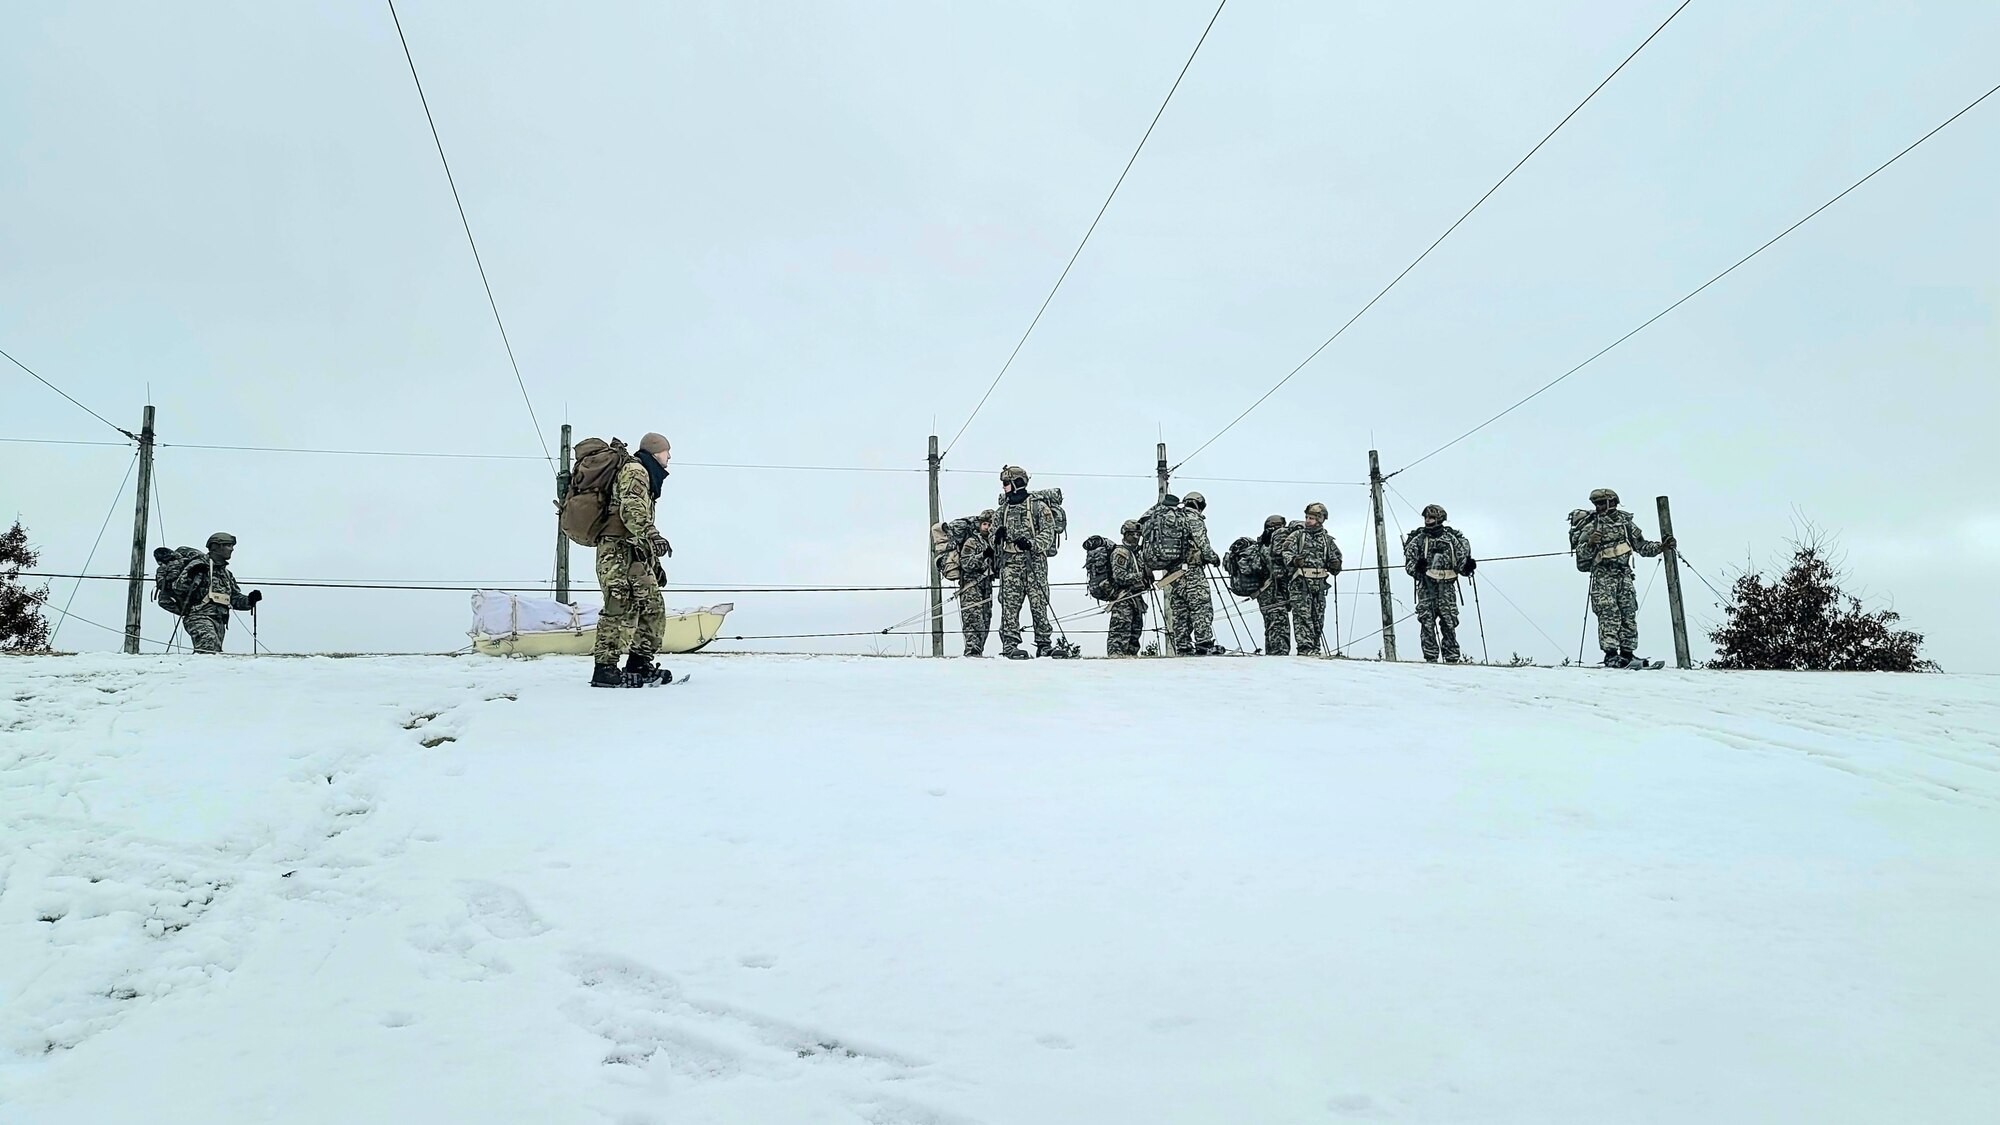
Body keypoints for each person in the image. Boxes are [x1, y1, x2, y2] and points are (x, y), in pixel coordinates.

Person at [591, 432, 673, 686]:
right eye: (666, 451)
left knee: (652, 606)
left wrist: (654, 563)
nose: (669, 456)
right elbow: (630, 509)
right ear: (655, 451)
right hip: (615, 550)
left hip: (634, 552)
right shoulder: (636, 470)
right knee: (618, 606)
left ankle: (639, 663)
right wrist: (653, 534)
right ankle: (604, 669)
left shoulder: (647, 474)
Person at [1576, 487, 1673, 668]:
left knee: (1628, 612)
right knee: (1608, 613)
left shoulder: (1626, 523)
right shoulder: (1592, 526)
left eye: (1600, 503)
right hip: (1603, 575)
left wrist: (1662, 547)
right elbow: (1581, 555)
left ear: (1612, 501)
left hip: (1624, 575)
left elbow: (1642, 546)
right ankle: (1611, 655)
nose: (1598, 507)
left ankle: (1628, 655)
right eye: (1595, 504)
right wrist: (1590, 543)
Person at [993, 465, 1057, 659]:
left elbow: (1049, 532)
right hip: (1010, 563)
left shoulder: (1038, 507)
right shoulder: (1001, 511)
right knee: (1009, 605)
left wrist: (1032, 543)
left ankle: (1044, 644)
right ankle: (1010, 645)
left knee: (1039, 603)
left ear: (1017, 483)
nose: (1004, 487)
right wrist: (997, 537)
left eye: (1006, 483)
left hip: (1034, 562)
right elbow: (992, 538)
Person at [1403, 504, 1475, 663]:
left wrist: (1468, 567)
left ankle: (1451, 659)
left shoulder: (1451, 540)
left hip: (1447, 588)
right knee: (1427, 624)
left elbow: (1461, 564)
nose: (1428, 520)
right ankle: (1431, 659)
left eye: (1432, 517)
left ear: (1440, 519)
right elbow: (1409, 566)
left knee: (1449, 624)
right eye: (1426, 517)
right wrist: (1418, 569)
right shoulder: (1419, 541)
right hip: (1426, 588)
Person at [1277, 502, 1342, 655]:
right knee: (1302, 618)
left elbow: (1336, 561)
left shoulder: (1327, 540)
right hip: (1300, 585)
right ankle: (1305, 649)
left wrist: (1336, 565)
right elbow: (1285, 553)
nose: (1307, 521)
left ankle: (1315, 648)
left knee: (1318, 619)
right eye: (1307, 517)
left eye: (1311, 518)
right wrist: (1294, 561)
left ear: (1320, 520)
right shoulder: (1297, 536)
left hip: (1319, 586)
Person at [180, 532, 261, 654]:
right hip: (199, 616)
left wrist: (250, 600)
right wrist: (191, 576)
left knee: (214, 655)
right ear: (216, 546)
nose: (232, 549)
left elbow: (234, 599)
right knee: (208, 650)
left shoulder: (227, 574)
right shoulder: (199, 565)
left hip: (219, 621)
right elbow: (179, 587)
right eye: (228, 545)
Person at [1172, 492, 1224, 655]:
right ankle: (1204, 645)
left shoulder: (1173, 519)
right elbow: (1203, 545)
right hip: (1192, 571)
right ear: (1199, 505)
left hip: (1173, 574)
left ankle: (1183, 646)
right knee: (1201, 606)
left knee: (1181, 609)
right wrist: (1214, 558)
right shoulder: (1194, 519)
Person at [1106, 519, 1150, 656]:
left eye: (1138, 534)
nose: (1136, 537)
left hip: (1136, 599)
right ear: (1125, 534)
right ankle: (1116, 662)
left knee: (1134, 636)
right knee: (1119, 635)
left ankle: (1131, 663)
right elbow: (1119, 576)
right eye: (1132, 534)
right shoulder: (1121, 552)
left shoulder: (1136, 554)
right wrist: (1140, 576)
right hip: (1123, 598)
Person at [958, 510, 998, 657]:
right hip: (971, 587)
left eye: (990, 524)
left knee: (985, 622)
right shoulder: (972, 541)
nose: (987, 527)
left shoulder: (994, 543)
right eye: (985, 524)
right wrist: (983, 555)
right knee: (973, 621)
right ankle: (972, 652)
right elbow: (966, 563)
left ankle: (978, 652)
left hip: (986, 587)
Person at [1254, 514, 1292, 656]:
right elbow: (1278, 573)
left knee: (1271, 627)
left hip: (1263, 594)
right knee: (1279, 627)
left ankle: (1272, 657)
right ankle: (1278, 658)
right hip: (1274, 593)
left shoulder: (1259, 545)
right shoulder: (1269, 548)